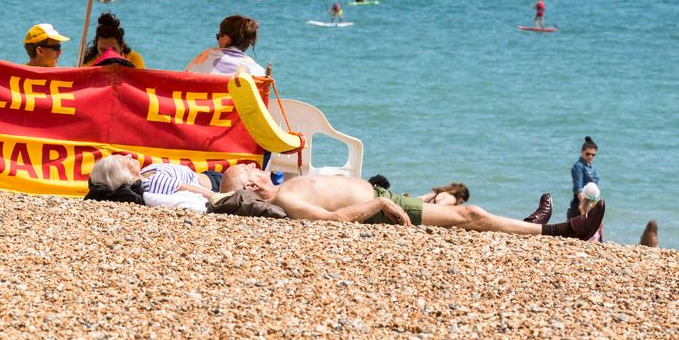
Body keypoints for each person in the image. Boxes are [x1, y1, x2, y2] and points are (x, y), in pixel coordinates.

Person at [217, 163, 605, 239]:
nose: (260, 168)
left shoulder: (288, 189)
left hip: (384, 197)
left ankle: (528, 225)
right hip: (381, 207)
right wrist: (377, 206)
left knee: (466, 216)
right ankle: (560, 231)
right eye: (253, 170)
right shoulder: (289, 201)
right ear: (250, 186)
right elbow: (330, 223)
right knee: (469, 214)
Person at [184, 15, 262, 76]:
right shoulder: (258, 71)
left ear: (226, 39)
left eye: (218, 35)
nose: (217, 40)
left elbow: (186, 76)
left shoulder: (208, 55)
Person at [570, 136, 603, 242]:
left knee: (596, 230)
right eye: (588, 154)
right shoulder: (578, 167)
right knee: (580, 232)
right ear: (582, 152)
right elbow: (578, 188)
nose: (590, 156)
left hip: (592, 201)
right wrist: (584, 209)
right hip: (582, 202)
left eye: (593, 154)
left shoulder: (590, 167)